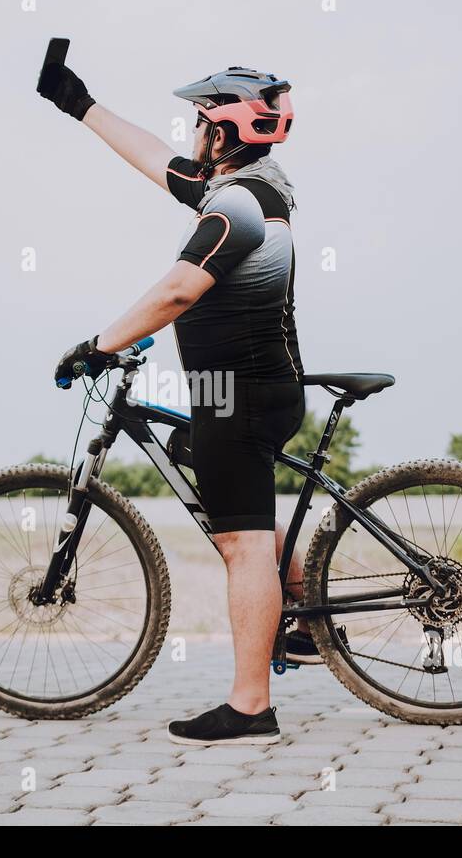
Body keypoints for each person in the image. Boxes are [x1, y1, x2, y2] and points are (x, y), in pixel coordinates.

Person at [40, 61, 327, 745]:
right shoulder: (249, 187)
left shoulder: (235, 208)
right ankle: (308, 620)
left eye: (198, 122)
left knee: (241, 542)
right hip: (248, 392)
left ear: (222, 129)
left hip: (241, 394)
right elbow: (153, 158)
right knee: (225, 489)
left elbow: (176, 292)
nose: (190, 134)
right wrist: (80, 104)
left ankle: (250, 705)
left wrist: (99, 345)